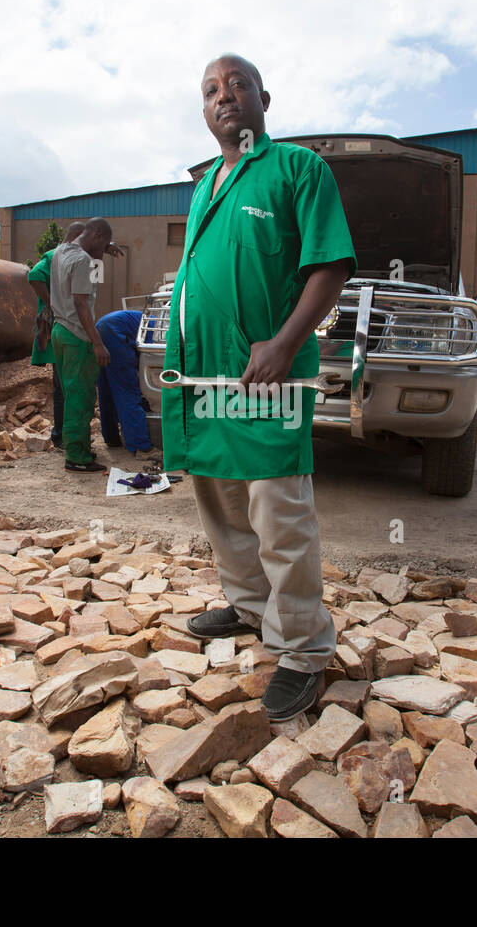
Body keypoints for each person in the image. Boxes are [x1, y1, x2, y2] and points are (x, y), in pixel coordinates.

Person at [161, 54, 356, 721]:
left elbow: (329, 266)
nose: (225, 97)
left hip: (264, 374)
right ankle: (247, 608)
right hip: (202, 372)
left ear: (263, 98)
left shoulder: (298, 169)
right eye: (212, 90)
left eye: (237, 85)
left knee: (279, 511)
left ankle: (304, 648)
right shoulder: (206, 184)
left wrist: (285, 343)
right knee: (220, 499)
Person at [50, 217, 114, 473]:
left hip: (59, 330)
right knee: (81, 397)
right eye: (103, 244)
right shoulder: (83, 261)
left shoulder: (60, 251)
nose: (103, 252)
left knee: (69, 394)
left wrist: (106, 247)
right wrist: (97, 343)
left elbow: (81, 238)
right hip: (78, 335)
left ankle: (76, 446)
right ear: (96, 235)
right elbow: (81, 303)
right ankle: (77, 457)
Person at [28, 221, 85, 449]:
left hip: (66, 327)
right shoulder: (56, 256)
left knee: (65, 385)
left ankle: (64, 434)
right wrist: (53, 303)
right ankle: (62, 436)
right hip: (61, 328)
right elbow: (34, 275)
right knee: (64, 386)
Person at [95, 309, 161, 461]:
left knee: (107, 389)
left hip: (102, 328)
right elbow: (151, 362)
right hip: (115, 333)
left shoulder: (152, 320)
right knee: (128, 392)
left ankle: (111, 437)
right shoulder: (158, 330)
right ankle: (143, 447)